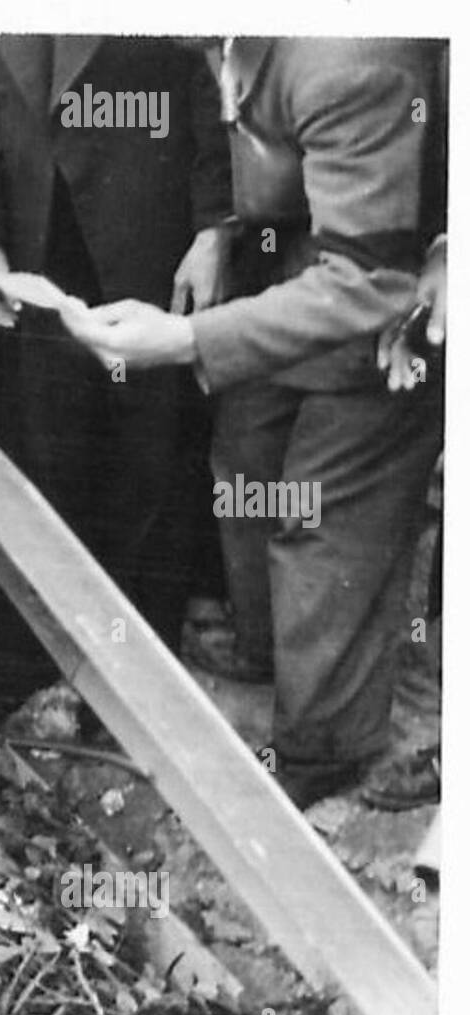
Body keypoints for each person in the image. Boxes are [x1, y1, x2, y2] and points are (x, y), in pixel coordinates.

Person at [58, 38, 444, 807]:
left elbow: (370, 279)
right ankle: (278, 656)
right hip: (303, 247)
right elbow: (246, 140)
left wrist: (187, 340)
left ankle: (322, 745)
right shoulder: (210, 36)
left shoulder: (345, 57)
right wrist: (223, 232)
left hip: (389, 270)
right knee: (246, 458)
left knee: (326, 505)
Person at [0, 36, 232, 718]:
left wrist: (216, 228)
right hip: (34, 238)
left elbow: (210, 78)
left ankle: (140, 684)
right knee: (44, 452)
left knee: (150, 459)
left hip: (148, 231)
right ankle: (34, 660)